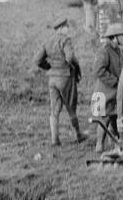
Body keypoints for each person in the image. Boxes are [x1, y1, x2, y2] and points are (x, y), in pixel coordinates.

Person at [35, 16, 86, 146]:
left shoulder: (48, 41)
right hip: (65, 77)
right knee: (71, 107)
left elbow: (37, 61)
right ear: (61, 28)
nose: (68, 29)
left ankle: (55, 140)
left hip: (52, 78)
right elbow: (70, 57)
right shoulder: (65, 40)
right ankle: (78, 134)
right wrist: (74, 66)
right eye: (66, 27)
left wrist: (50, 67)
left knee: (54, 110)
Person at [92, 22, 123, 152]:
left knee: (115, 117)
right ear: (114, 37)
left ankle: (116, 143)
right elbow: (98, 70)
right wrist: (115, 81)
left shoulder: (119, 51)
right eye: (121, 35)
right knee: (104, 118)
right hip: (105, 91)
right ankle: (99, 145)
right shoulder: (104, 51)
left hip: (116, 91)